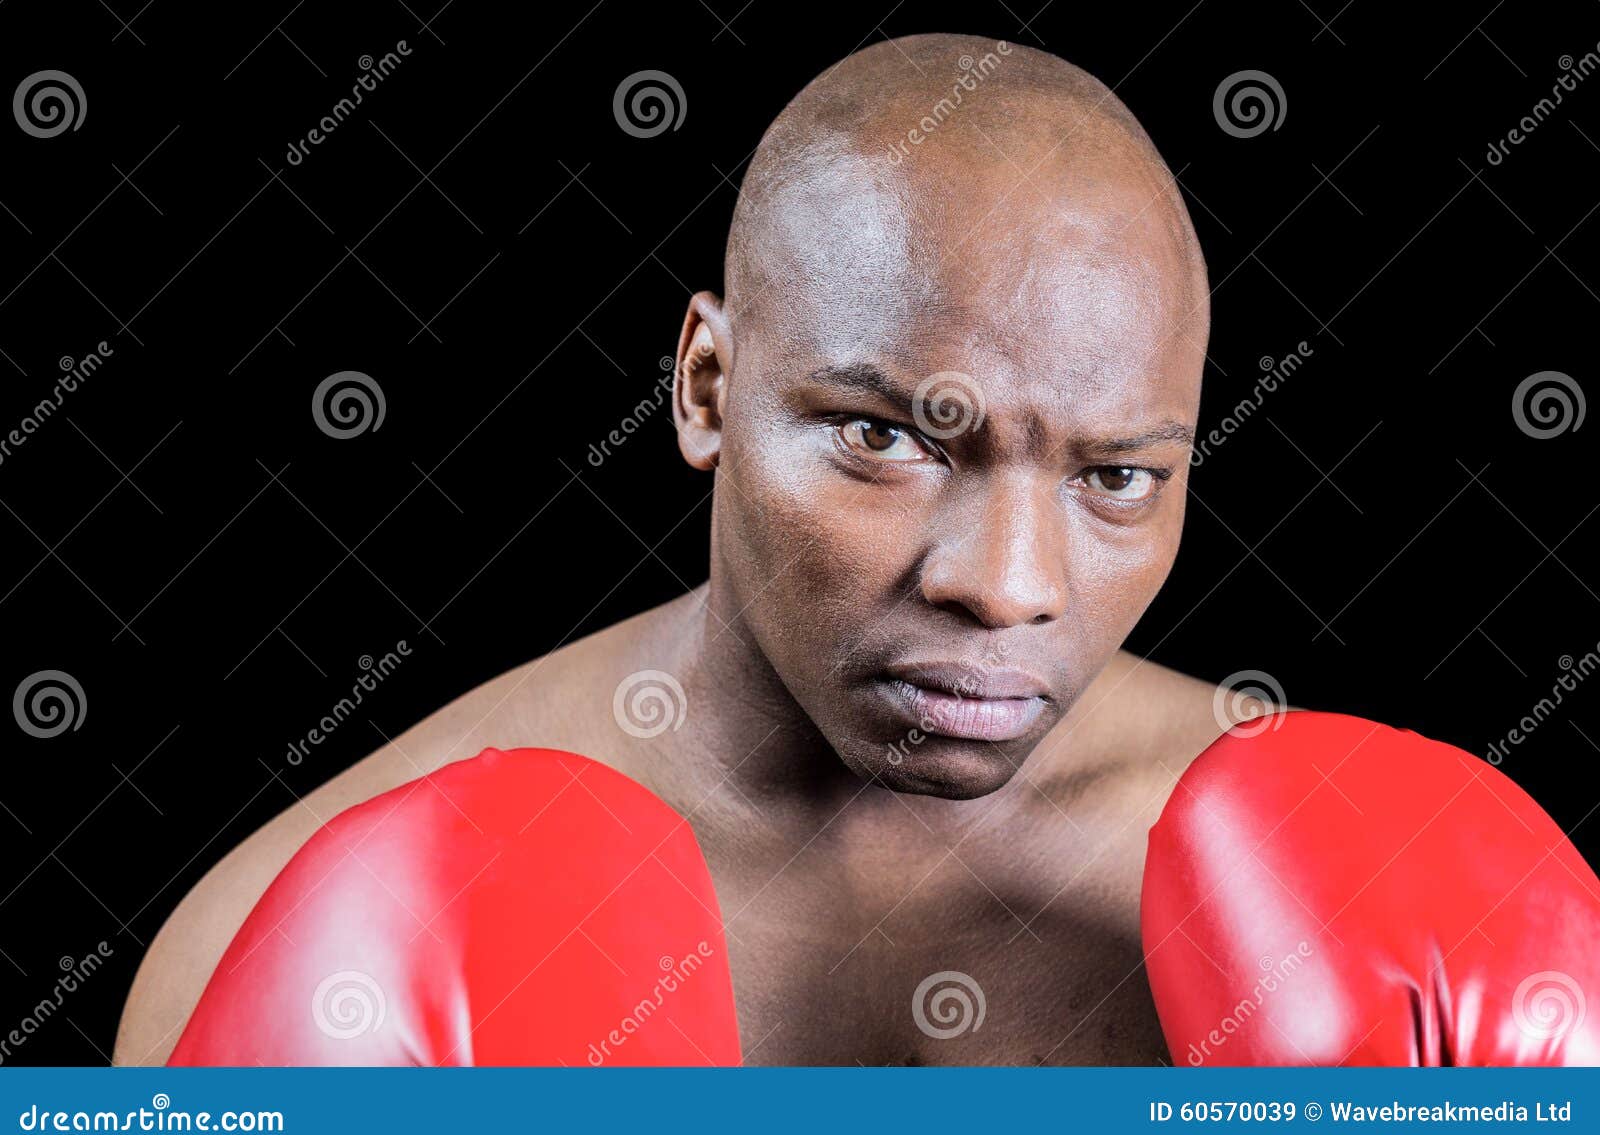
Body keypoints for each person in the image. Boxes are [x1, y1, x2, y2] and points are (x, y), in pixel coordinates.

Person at [114, 34, 1600, 1068]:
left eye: (1117, 476)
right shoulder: (306, 929)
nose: (1009, 582)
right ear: (705, 387)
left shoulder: (1405, 899)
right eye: (891, 438)